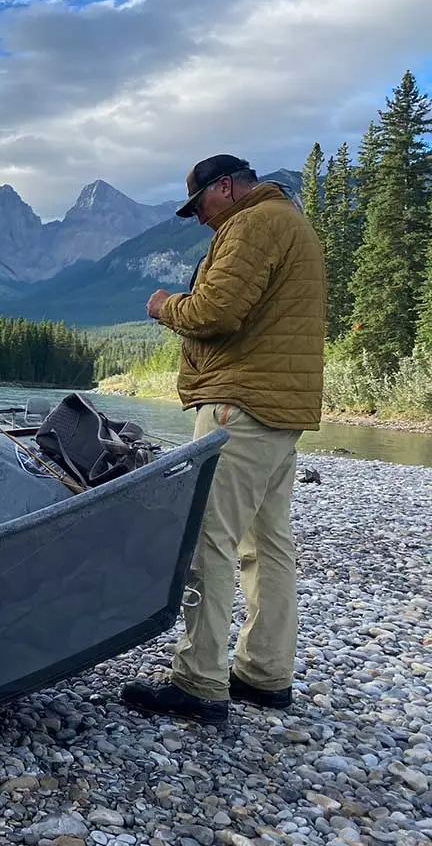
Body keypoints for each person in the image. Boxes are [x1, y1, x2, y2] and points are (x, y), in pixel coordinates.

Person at [120, 154, 327, 724]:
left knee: (209, 541)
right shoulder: (290, 220)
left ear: (227, 187)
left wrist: (164, 306)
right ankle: (263, 674)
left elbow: (216, 313)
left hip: (240, 404)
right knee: (268, 544)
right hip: (279, 409)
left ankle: (198, 680)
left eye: (199, 206)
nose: (198, 219)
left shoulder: (253, 223)